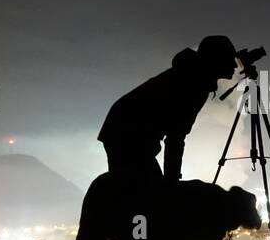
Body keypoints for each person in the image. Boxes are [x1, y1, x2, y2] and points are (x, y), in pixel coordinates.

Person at [97, 35, 238, 188]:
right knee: (144, 192)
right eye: (230, 59)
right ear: (217, 60)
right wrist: (172, 182)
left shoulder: (192, 75)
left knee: (142, 191)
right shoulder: (193, 84)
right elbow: (176, 137)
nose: (235, 66)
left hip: (124, 129)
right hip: (126, 132)